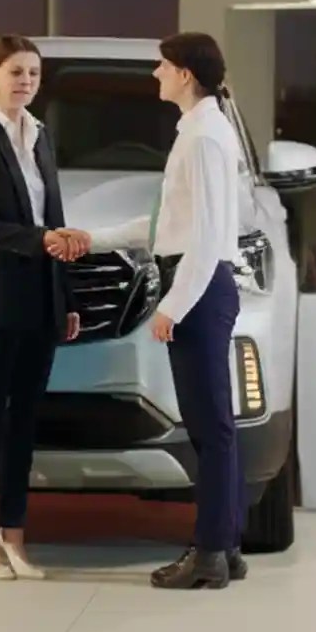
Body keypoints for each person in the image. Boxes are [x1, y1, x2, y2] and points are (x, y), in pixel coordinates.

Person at [63, 32, 247, 589]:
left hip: (199, 286)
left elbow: (208, 235)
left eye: (162, 67)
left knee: (209, 427)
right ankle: (226, 546)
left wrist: (173, 304)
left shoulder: (204, 138)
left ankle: (211, 553)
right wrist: (88, 237)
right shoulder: (197, 131)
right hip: (198, 283)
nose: (155, 75)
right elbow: (165, 226)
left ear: (186, 74)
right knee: (212, 425)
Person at [0, 35, 82, 581]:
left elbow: (55, 212)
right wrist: (42, 241)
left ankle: (16, 535)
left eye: (32, 73)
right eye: (15, 72)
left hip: (41, 300)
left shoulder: (42, 136)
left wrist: (66, 295)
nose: (25, 81)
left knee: (24, 422)